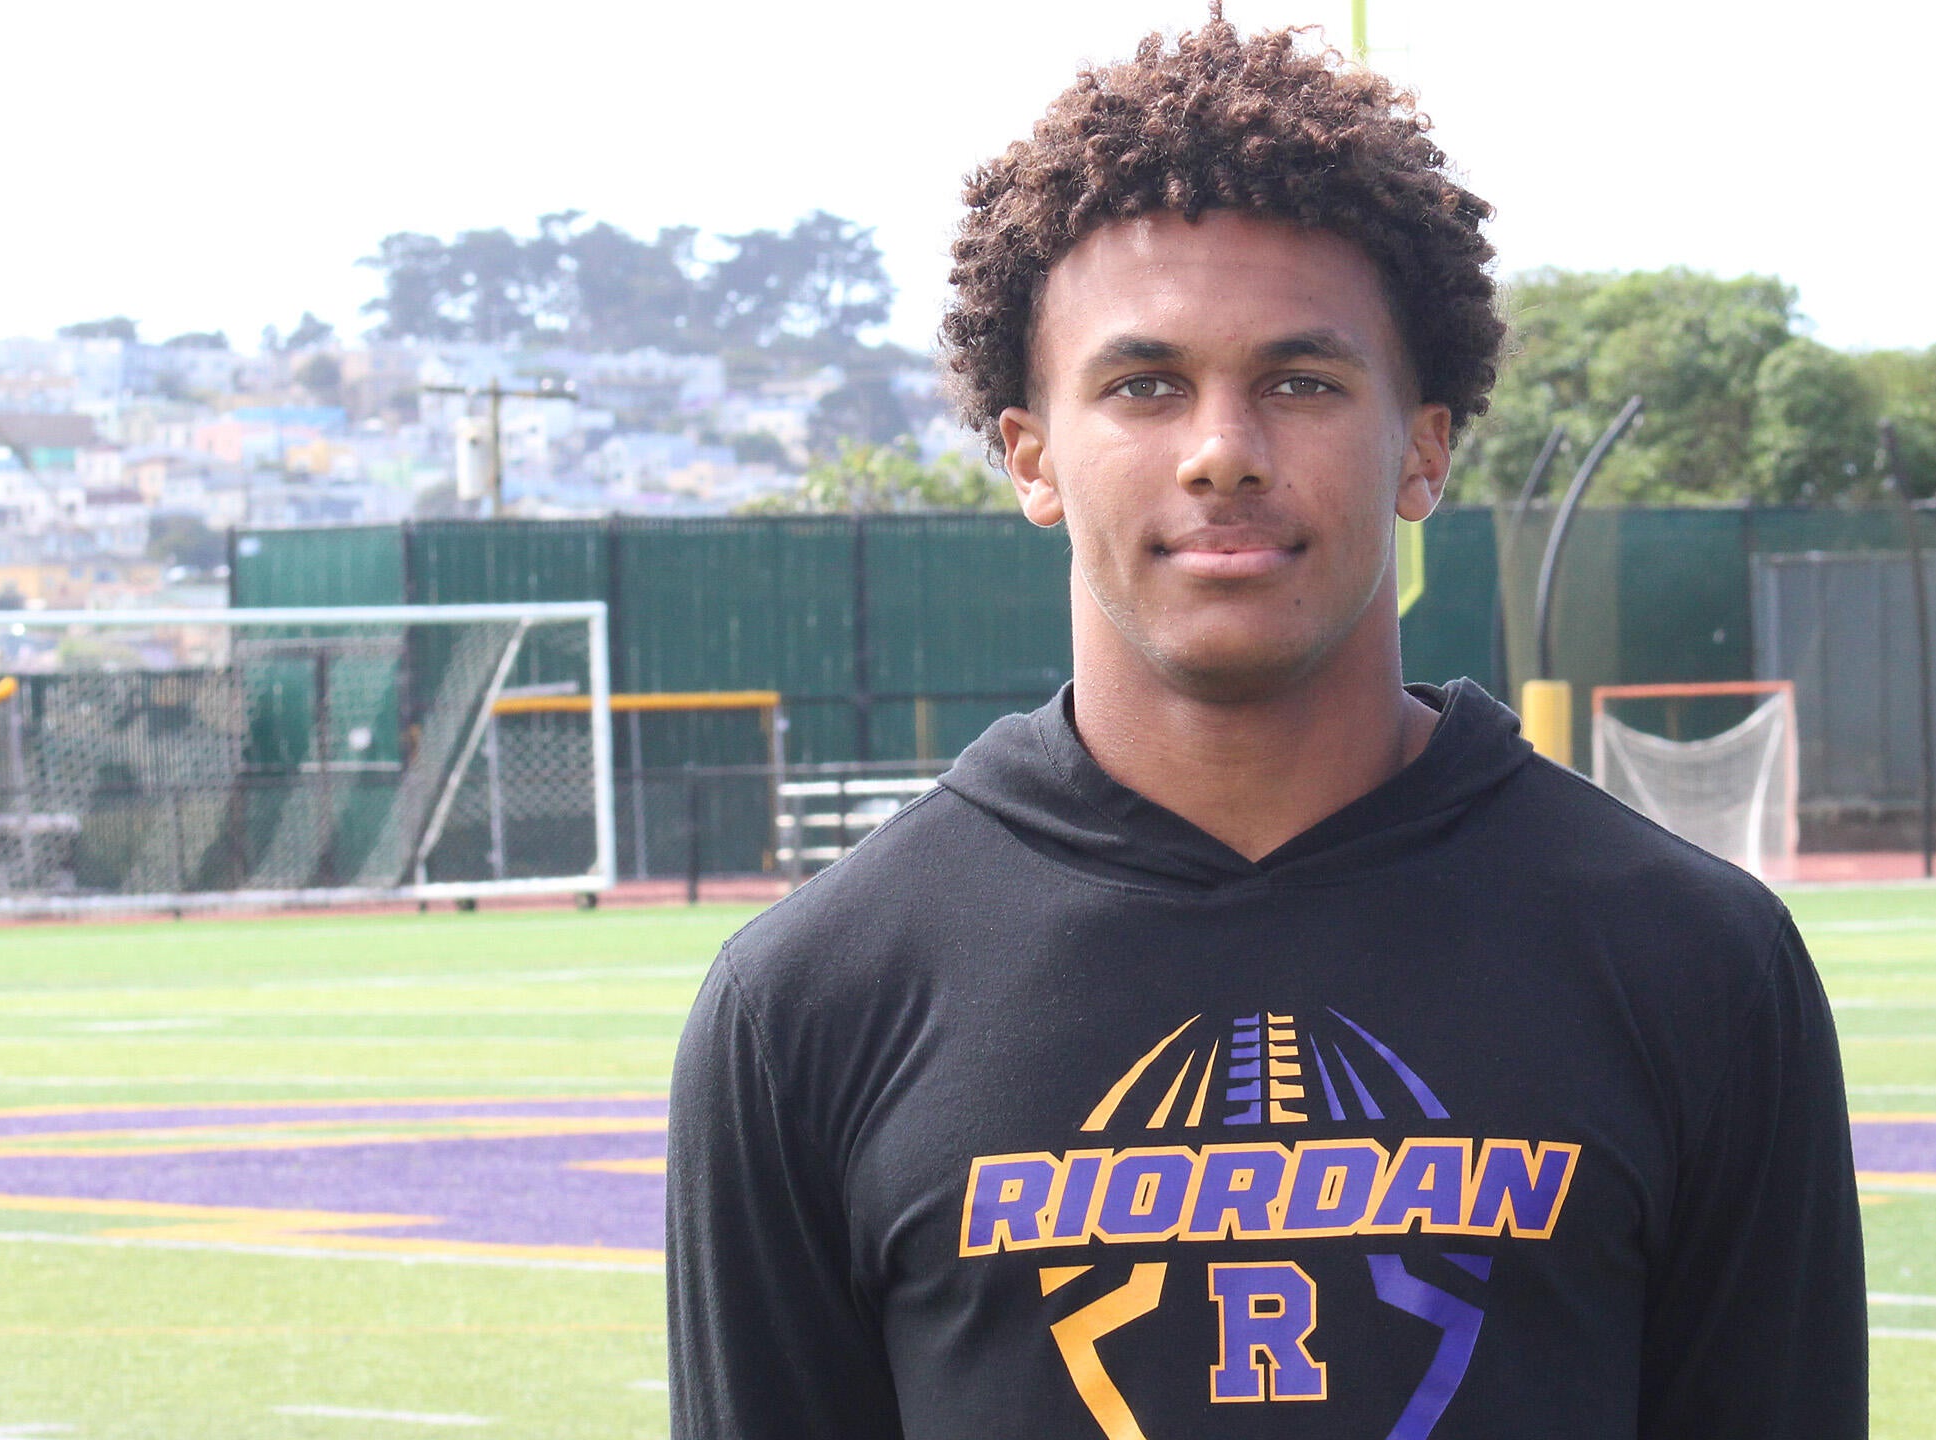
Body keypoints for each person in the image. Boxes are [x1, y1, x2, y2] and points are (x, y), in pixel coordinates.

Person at [667, 15, 1865, 1439]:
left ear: (1423, 447)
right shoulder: (809, 1006)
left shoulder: (1695, 965)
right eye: (1144, 385)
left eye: (1302, 382)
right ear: (1032, 458)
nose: (1222, 450)